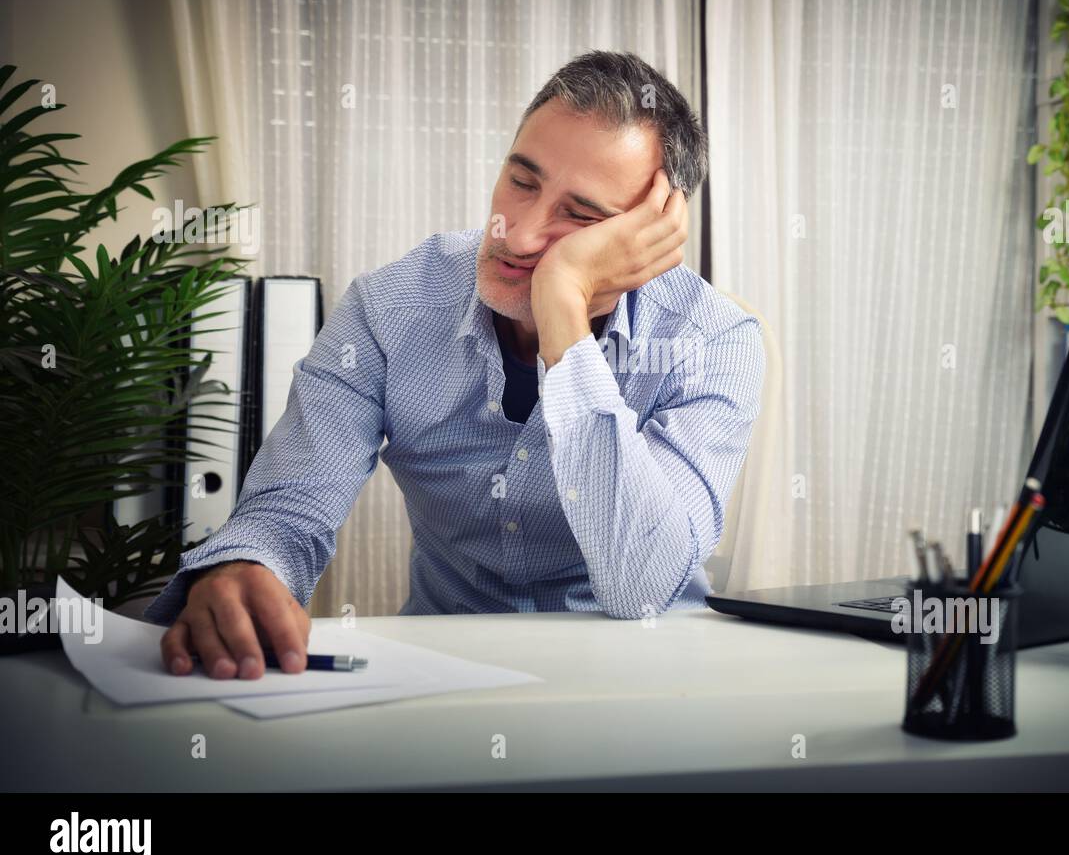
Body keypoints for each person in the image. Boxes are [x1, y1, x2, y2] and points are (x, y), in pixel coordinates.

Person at [145, 51, 765, 680]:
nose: (519, 236)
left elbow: (643, 584)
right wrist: (246, 568)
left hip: (646, 683)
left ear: (648, 233)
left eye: (580, 217)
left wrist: (564, 303)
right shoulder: (389, 309)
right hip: (439, 675)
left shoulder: (712, 341)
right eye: (522, 182)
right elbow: (288, 511)